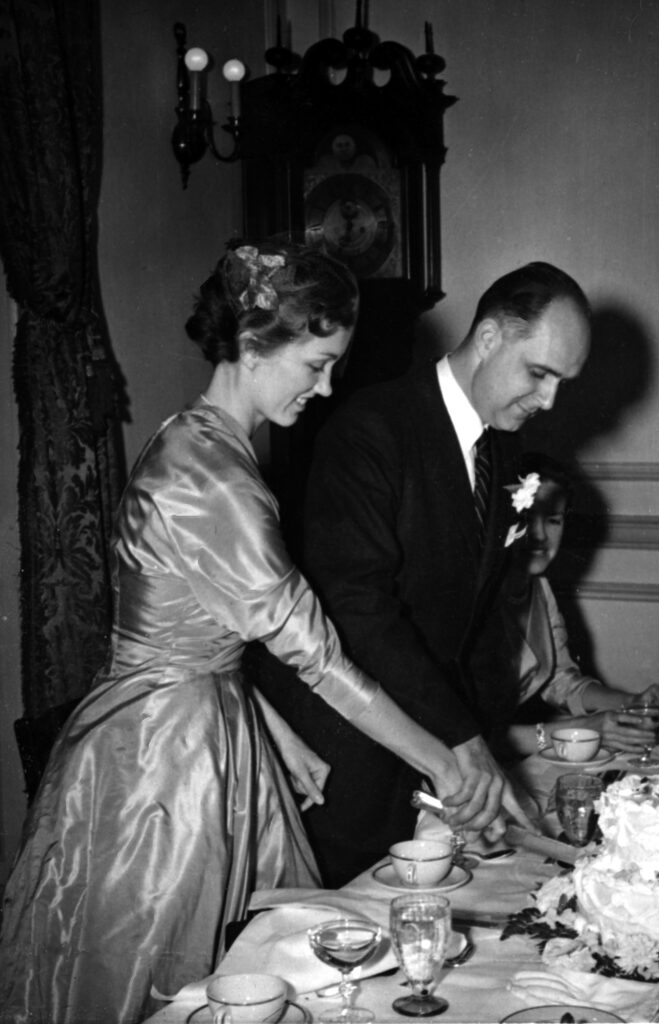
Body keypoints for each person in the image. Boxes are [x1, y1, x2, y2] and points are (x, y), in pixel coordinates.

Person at [0, 243, 502, 1024]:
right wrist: (443, 762)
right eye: (315, 364)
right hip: (162, 764)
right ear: (252, 344)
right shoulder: (215, 479)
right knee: (172, 985)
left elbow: (205, 625)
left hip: (202, 725)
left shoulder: (199, 440)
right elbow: (319, 659)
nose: (327, 386)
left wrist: (266, 730)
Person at [255, 261, 592, 886]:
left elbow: (481, 616)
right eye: (540, 374)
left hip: (425, 760)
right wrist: (462, 743)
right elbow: (359, 611)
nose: (549, 401)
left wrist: (484, 753)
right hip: (341, 758)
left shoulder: (502, 448)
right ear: (489, 338)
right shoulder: (370, 429)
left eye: (560, 383)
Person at [499, 452, 659, 758]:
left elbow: (560, 681)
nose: (539, 535)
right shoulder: (472, 598)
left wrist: (630, 704)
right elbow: (472, 738)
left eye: (553, 520)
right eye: (526, 519)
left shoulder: (539, 588)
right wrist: (582, 729)